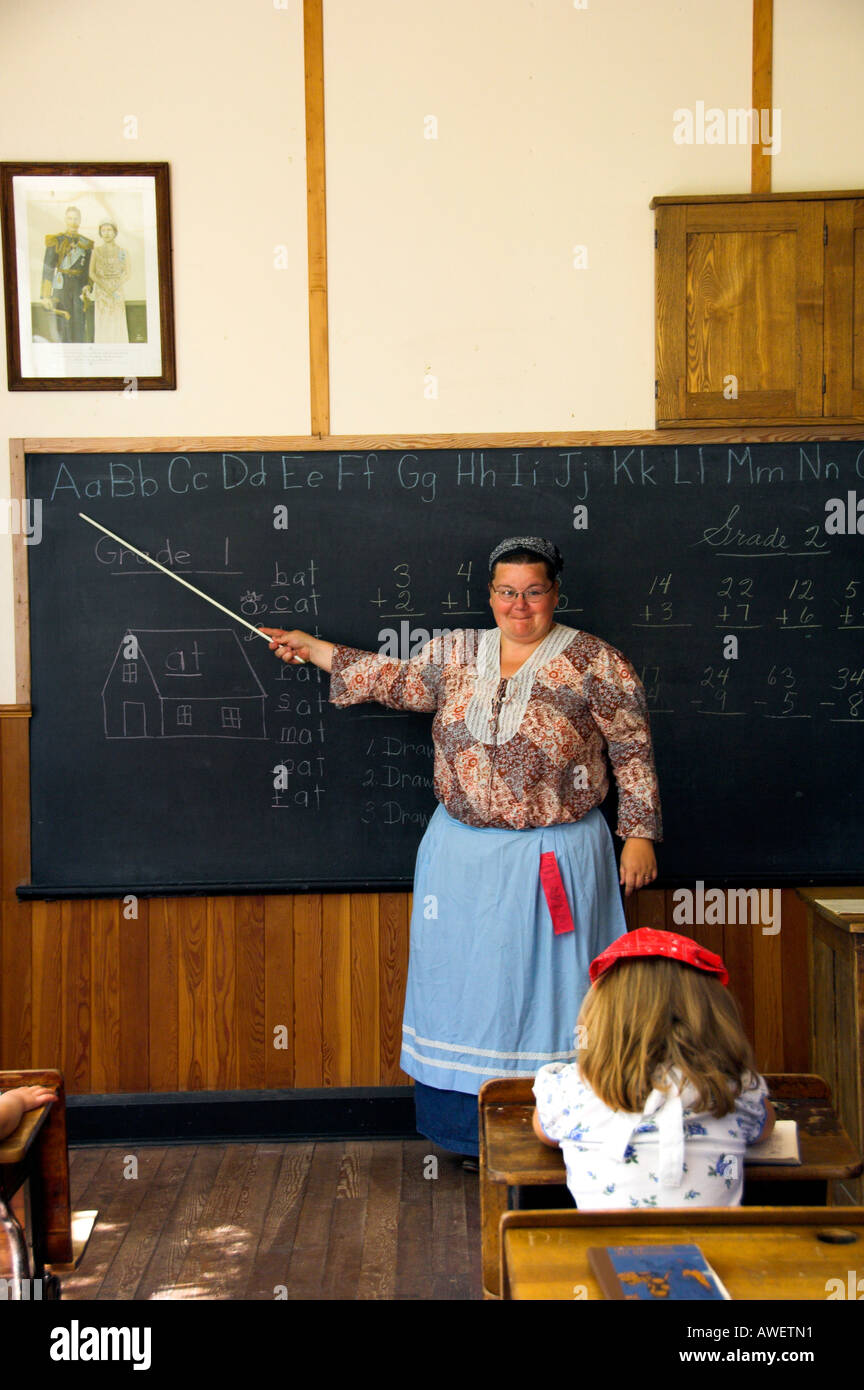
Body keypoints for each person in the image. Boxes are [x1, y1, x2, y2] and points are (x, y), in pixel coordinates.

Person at [259, 535, 662, 1160]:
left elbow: (632, 749)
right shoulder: (452, 654)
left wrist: (637, 835)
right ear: (491, 593)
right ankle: (466, 1134)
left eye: (533, 592)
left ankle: (566, 1131)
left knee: (555, 991)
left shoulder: (597, 663)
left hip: (556, 853)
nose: (519, 606)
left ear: (556, 593)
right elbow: (391, 680)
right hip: (461, 858)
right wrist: (314, 650)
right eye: (507, 591)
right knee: (466, 990)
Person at [531, 928, 775, 1208]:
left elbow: (545, 1131)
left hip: (604, 1249)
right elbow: (764, 1127)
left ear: (601, 1015)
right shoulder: (734, 1089)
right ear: (713, 1015)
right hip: (713, 1248)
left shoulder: (573, 1089)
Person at [39, 205, 94, 342]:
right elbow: (48, 269)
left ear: (80, 220)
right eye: (70, 218)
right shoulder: (56, 241)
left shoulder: (86, 244)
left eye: (76, 219)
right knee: (63, 325)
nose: (73, 222)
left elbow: (88, 270)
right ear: (65, 220)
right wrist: (45, 296)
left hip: (78, 289)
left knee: (79, 326)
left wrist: (88, 286)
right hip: (61, 286)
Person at [84, 221, 131, 342]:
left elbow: (127, 273)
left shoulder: (123, 251)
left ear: (115, 232)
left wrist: (115, 285)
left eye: (109, 230)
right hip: (102, 292)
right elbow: (91, 273)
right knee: (103, 322)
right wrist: (104, 286)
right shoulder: (96, 251)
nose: (106, 233)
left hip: (116, 291)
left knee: (117, 321)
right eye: (103, 230)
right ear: (100, 233)